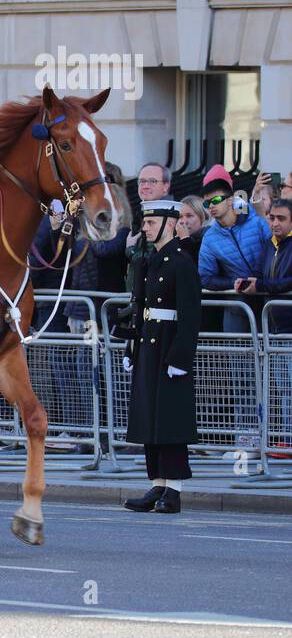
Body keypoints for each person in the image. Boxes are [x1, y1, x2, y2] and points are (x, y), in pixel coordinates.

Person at [117, 200, 201, 514]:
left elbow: (191, 317)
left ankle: (174, 488)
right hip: (149, 347)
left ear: (170, 223)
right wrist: (131, 348)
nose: (146, 228)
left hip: (169, 346)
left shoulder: (181, 262)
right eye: (146, 222)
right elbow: (138, 308)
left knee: (170, 419)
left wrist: (180, 358)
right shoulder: (149, 262)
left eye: (152, 223)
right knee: (150, 415)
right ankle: (157, 482)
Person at [197, 164, 271, 333]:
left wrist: (259, 281)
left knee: (270, 355)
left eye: (216, 200)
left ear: (230, 200)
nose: (211, 206)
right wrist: (233, 283)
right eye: (207, 203)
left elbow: (274, 253)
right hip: (237, 307)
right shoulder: (209, 238)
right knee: (236, 357)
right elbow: (206, 277)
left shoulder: (256, 221)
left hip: (268, 302)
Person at [247, 198, 292, 333]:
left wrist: (260, 285)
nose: (275, 223)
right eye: (272, 218)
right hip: (272, 326)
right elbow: (258, 272)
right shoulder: (269, 244)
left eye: (281, 218)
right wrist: (246, 282)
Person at [125, 161, 172, 275]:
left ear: (166, 186)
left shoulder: (169, 218)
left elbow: (151, 262)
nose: (145, 186)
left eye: (152, 181)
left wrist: (130, 249)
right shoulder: (140, 214)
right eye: (142, 181)